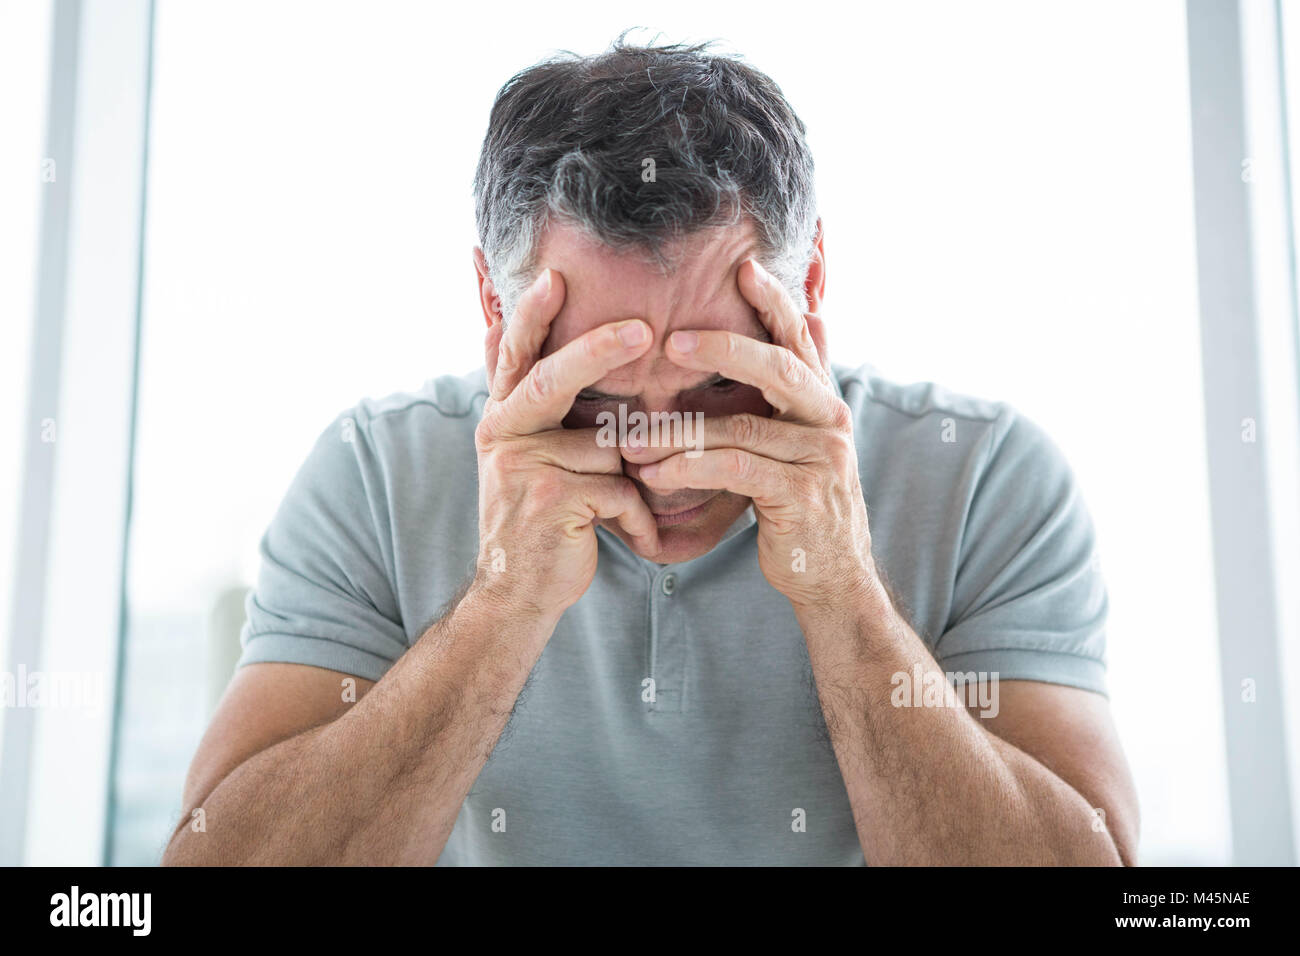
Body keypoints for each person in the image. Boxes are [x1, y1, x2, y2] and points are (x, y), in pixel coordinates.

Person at [162, 36, 1138, 866]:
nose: (667, 458)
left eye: (719, 385)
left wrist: (842, 589)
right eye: (595, 398)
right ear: (495, 309)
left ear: (813, 285)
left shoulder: (986, 476)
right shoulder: (374, 471)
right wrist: (502, 603)